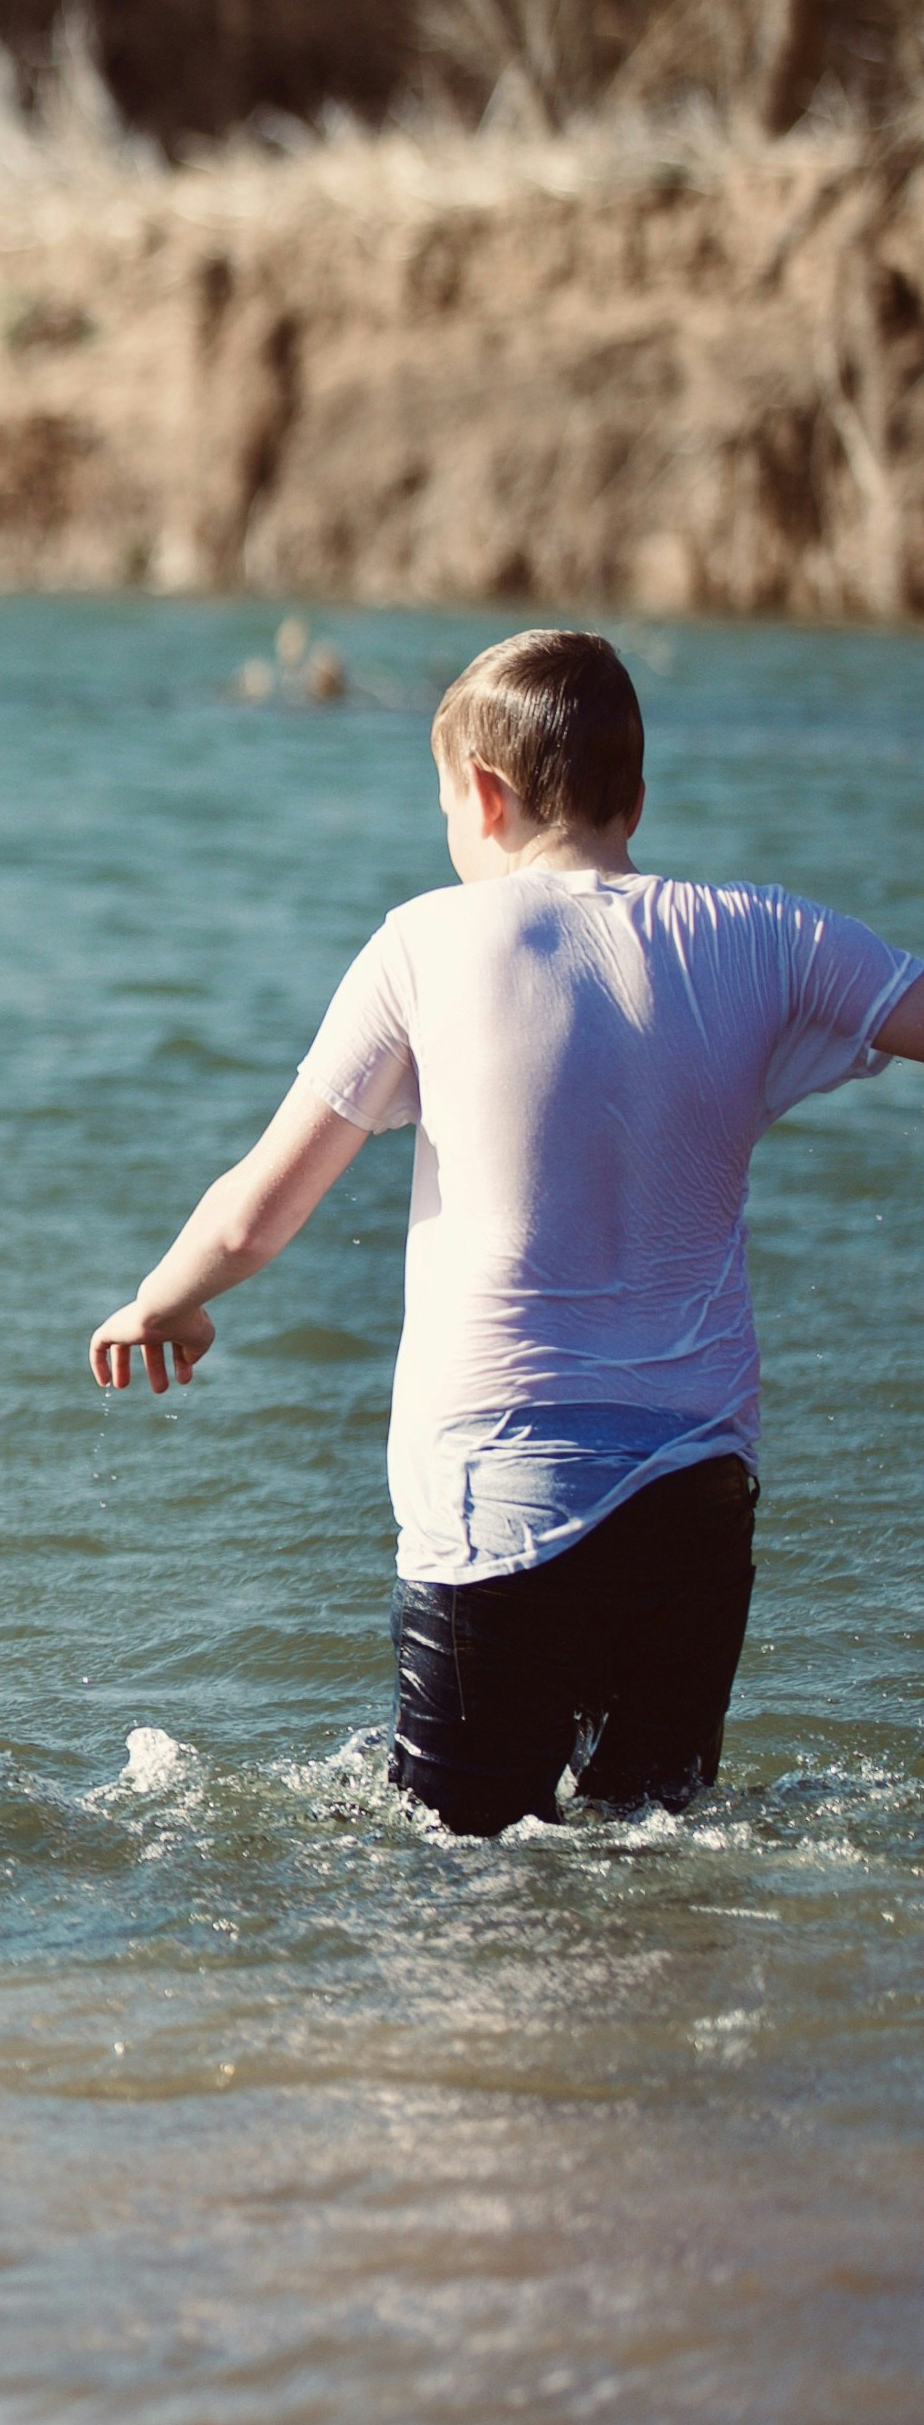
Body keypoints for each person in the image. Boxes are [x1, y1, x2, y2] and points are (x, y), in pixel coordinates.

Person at [87, 630, 923, 1838]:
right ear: (633, 793)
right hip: (696, 1494)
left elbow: (257, 1208)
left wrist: (161, 1301)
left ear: (480, 792)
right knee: (657, 1851)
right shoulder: (765, 935)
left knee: (459, 1876)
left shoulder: (426, 943)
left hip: (502, 1498)